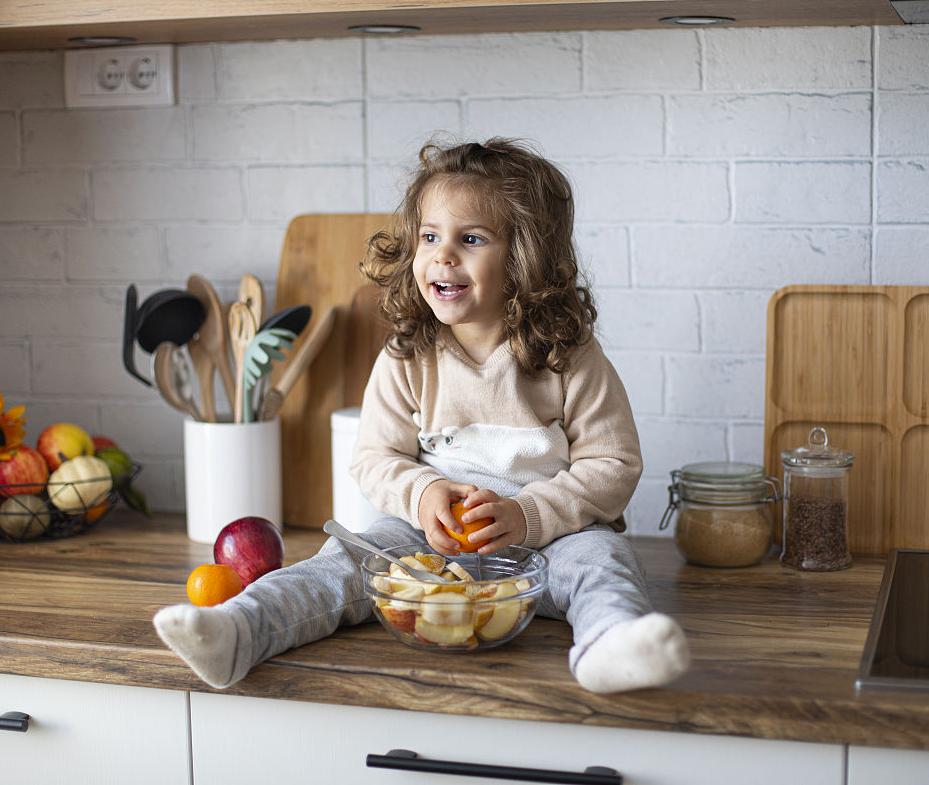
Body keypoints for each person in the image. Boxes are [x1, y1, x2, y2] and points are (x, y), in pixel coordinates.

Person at [153, 138, 690, 694]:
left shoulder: (568, 355)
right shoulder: (408, 354)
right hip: (426, 542)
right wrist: (424, 494)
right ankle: (239, 631)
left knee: (605, 561)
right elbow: (374, 457)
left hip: (553, 541)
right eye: (430, 237)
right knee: (342, 561)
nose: (443, 255)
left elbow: (613, 464)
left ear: (525, 256)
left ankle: (610, 645)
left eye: (471, 239)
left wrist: (527, 515)